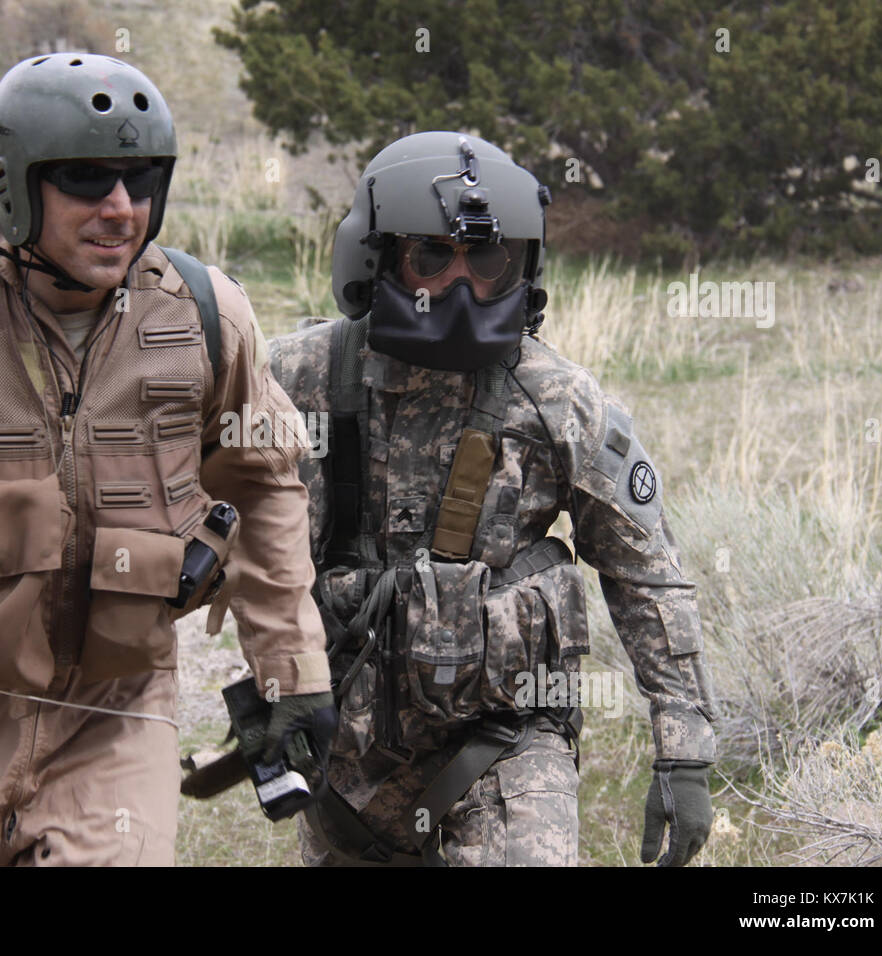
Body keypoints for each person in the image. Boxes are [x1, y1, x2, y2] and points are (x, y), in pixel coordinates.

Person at [0, 53, 334, 866]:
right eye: (87, 179)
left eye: (140, 179)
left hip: (117, 699)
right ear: (19, 186)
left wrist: (292, 667)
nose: (120, 208)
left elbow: (265, 487)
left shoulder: (206, 313)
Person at [268, 131, 717, 867]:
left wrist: (684, 749)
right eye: (431, 256)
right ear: (376, 257)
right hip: (347, 740)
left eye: (486, 257)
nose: (461, 280)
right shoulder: (299, 380)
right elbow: (219, 531)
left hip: (508, 733)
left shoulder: (558, 399)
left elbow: (646, 573)